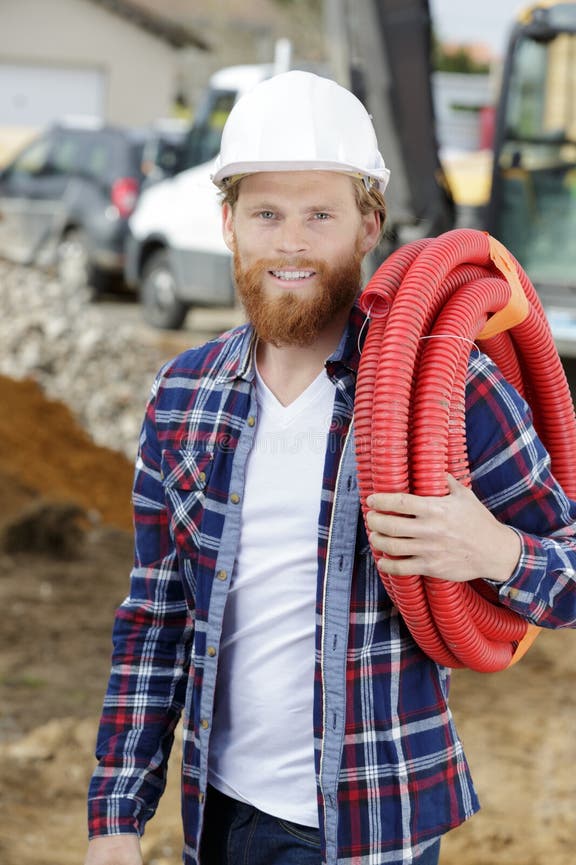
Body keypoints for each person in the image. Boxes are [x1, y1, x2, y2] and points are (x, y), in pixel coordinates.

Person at [84, 72, 576, 865]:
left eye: (321, 215)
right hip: (220, 821)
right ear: (229, 223)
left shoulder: (443, 390)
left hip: (375, 828)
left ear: (368, 226)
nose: (292, 242)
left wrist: (492, 550)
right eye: (268, 213)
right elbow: (155, 617)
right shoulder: (183, 395)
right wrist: (115, 817)